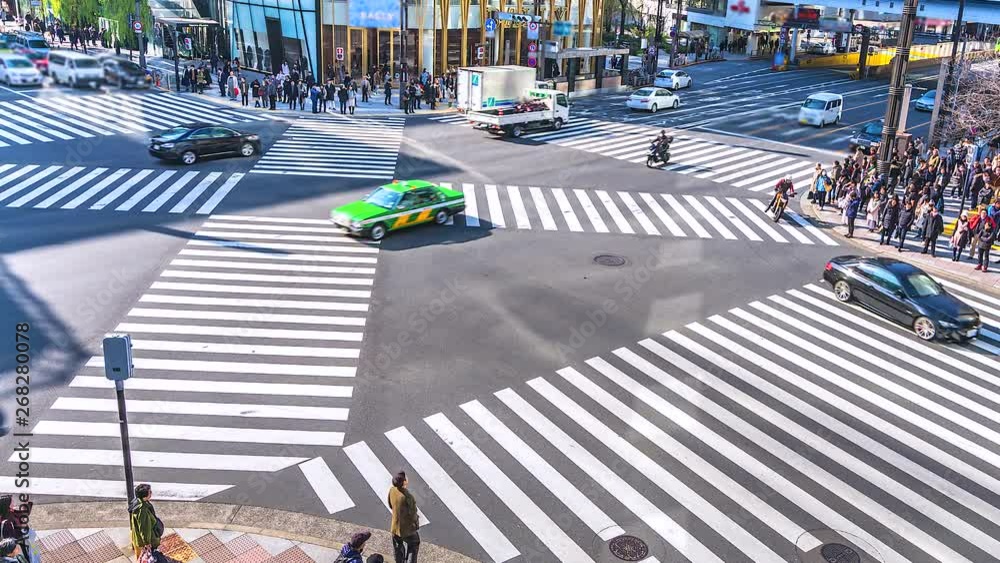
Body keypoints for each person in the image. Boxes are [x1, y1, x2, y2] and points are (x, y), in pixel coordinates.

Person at [388, 471, 419, 563]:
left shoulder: (392, 490)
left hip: (395, 526)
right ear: (404, 482)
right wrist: (416, 522)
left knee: (398, 548)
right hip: (407, 529)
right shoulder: (408, 496)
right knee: (414, 545)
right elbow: (413, 514)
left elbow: (390, 505)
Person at [129, 484, 164, 561]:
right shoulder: (143, 511)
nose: (151, 493)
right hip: (150, 539)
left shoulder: (137, 502)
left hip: (141, 538)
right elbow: (144, 529)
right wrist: (147, 543)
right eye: (149, 492)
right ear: (145, 496)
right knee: (148, 557)